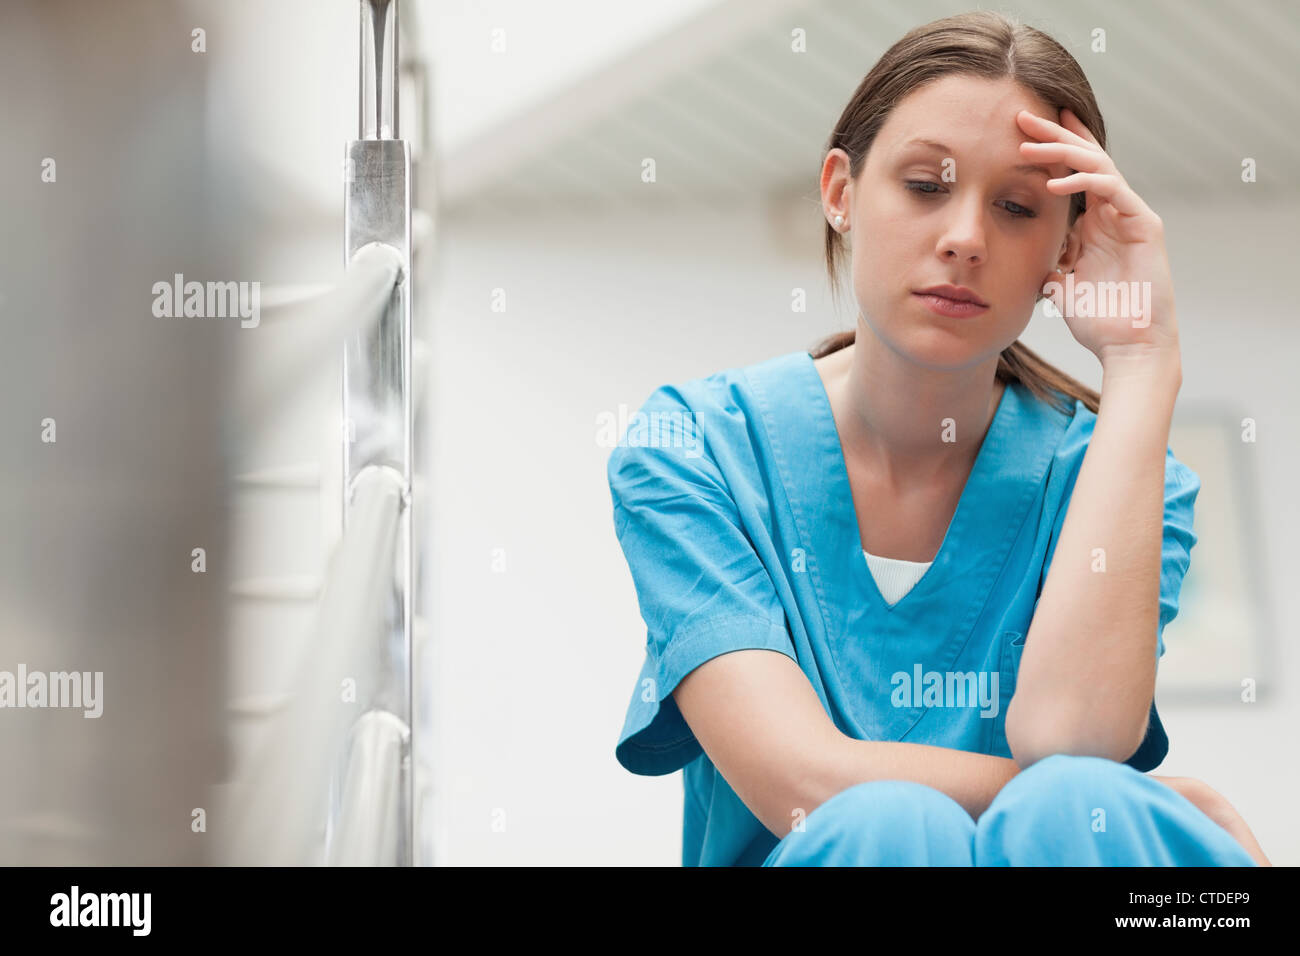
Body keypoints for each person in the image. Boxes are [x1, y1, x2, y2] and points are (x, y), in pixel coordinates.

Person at [606, 10, 1270, 867]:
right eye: (926, 186)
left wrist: (1143, 363)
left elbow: (1068, 748)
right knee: (888, 824)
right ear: (840, 193)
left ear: (1063, 249)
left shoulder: (1123, 481)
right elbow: (801, 784)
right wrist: (1161, 804)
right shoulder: (692, 451)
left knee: (1074, 797)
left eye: (1018, 207)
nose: (965, 238)